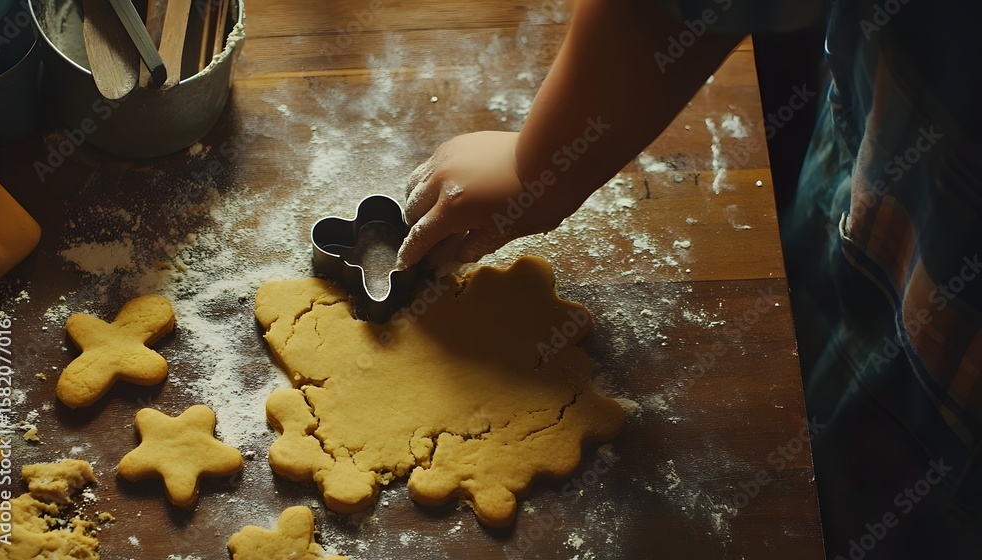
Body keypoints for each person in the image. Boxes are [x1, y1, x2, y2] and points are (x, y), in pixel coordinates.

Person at [395, 1, 982, 558]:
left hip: (946, 356)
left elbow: (668, 12)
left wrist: (536, 166)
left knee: (867, 514)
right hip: (876, 206)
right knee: (809, 425)